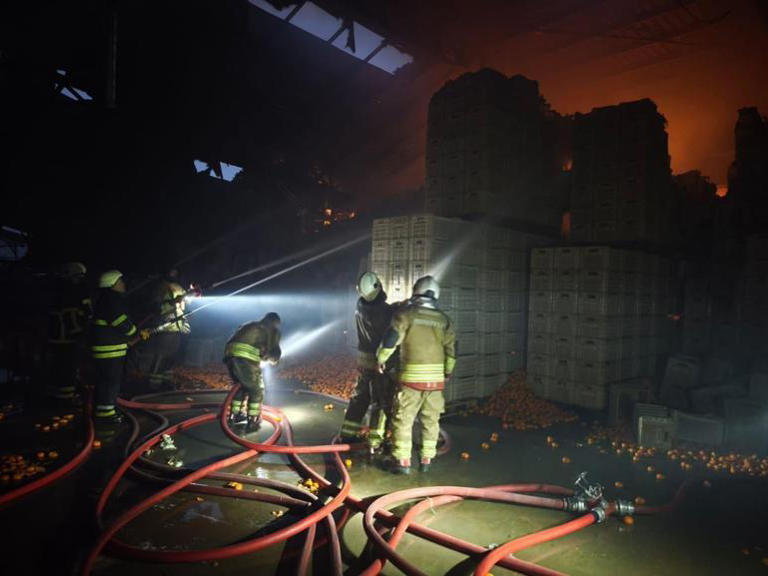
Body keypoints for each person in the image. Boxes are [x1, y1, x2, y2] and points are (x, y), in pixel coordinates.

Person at [376, 276, 456, 475]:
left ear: (415, 291)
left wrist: (380, 359)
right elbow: (452, 351)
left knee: (403, 419)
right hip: (436, 382)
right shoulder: (444, 320)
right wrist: (447, 372)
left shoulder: (405, 315)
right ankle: (427, 460)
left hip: (411, 381)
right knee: (431, 421)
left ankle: (402, 461)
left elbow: (390, 341)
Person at [339, 272, 394, 453]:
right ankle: (374, 442)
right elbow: (390, 323)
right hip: (378, 361)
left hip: (363, 359)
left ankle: (347, 434)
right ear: (378, 286)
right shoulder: (385, 311)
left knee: (360, 398)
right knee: (379, 401)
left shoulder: (360, 305)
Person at [90, 270, 140, 423]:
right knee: (111, 381)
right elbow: (120, 322)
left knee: (105, 381)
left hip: (106, 349)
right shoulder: (112, 300)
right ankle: (106, 415)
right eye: (120, 281)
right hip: (110, 351)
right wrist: (134, 332)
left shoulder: (105, 299)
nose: (123, 284)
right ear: (113, 284)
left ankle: (104, 408)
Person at [223, 313, 281, 432]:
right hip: (246, 358)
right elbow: (271, 352)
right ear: (275, 323)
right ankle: (253, 420)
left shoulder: (250, 324)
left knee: (241, 387)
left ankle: (234, 415)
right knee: (256, 390)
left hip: (230, 355)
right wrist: (274, 359)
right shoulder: (271, 330)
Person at [46, 262, 92, 401]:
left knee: (60, 366)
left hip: (58, 336)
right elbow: (73, 315)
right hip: (67, 337)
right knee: (67, 368)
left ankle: (59, 395)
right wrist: (80, 334)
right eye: (79, 276)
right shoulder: (71, 292)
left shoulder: (59, 290)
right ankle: (65, 397)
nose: (80, 279)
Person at [146, 269, 190, 388]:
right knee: (161, 356)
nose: (173, 274)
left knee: (171, 356)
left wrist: (192, 296)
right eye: (171, 272)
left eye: (175, 272)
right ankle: (153, 385)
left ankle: (167, 382)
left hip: (177, 327)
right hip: (164, 326)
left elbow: (185, 304)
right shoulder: (161, 287)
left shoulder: (179, 287)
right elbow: (154, 306)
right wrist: (171, 302)